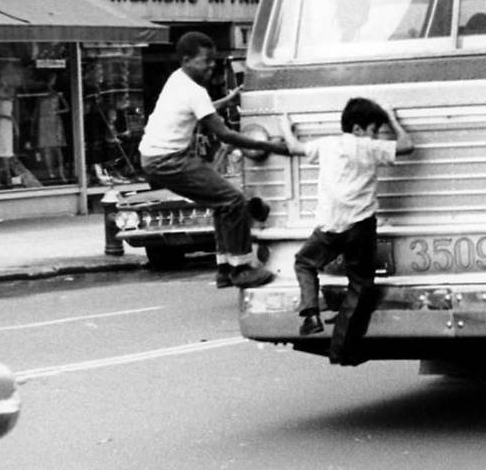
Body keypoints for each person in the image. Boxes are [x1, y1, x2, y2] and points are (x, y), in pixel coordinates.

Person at [138, 32, 288, 289]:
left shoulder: (177, 80)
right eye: (205, 61)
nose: (211, 66)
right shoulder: (194, 91)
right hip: (169, 160)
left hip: (153, 158)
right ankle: (241, 268)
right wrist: (271, 146)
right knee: (233, 200)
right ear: (186, 60)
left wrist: (228, 100)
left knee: (222, 203)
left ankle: (223, 267)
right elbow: (225, 134)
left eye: (213, 61)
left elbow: (201, 109)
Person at [279, 98, 414, 366]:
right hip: (360, 227)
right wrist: (393, 120)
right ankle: (341, 350)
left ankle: (311, 313)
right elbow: (407, 146)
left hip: (329, 226)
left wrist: (285, 124)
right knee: (360, 285)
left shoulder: (326, 144)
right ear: (358, 129)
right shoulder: (369, 147)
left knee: (304, 262)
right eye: (374, 129)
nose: (377, 135)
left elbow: (293, 147)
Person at [33, 74, 69, 180]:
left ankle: (61, 172)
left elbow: (67, 108)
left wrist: (57, 111)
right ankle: (50, 172)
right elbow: (36, 111)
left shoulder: (57, 94)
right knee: (47, 149)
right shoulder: (41, 95)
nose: (52, 82)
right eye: (51, 80)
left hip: (54, 122)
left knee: (57, 149)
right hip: (44, 122)